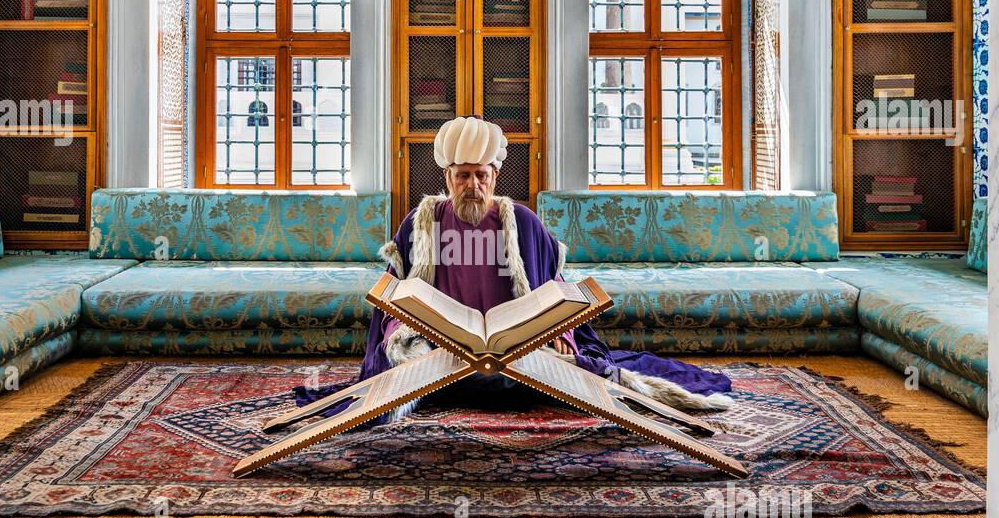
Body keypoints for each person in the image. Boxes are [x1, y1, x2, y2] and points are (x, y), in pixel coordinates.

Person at [295, 115, 734, 421]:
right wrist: (402, 344)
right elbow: (394, 297)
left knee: (549, 374)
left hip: (519, 353)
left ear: (495, 174)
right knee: (433, 377)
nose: (473, 185)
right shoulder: (420, 224)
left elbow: (552, 286)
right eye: (463, 175)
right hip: (444, 357)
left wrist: (559, 335)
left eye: (481, 175)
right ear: (447, 176)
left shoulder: (521, 222)